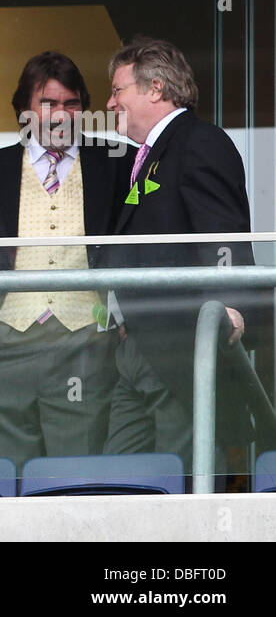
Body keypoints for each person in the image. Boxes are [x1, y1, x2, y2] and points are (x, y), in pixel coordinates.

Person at [0, 52, 131, 469]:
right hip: (5, 333)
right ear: (24, 111)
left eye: (72, 104)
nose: (61, 115)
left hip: (86, 336)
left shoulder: (117, 163)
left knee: (77, 467)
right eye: (48, 104)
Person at [101, 37, 255, 464]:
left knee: (184, 480)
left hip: (183, 347)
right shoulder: (150, 155)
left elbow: (222, 234)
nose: (110, 102)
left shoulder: (198, 142)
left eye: (118, 90)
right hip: (140, 346)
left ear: (154, 89)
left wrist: (233, 310)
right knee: (122, 475)